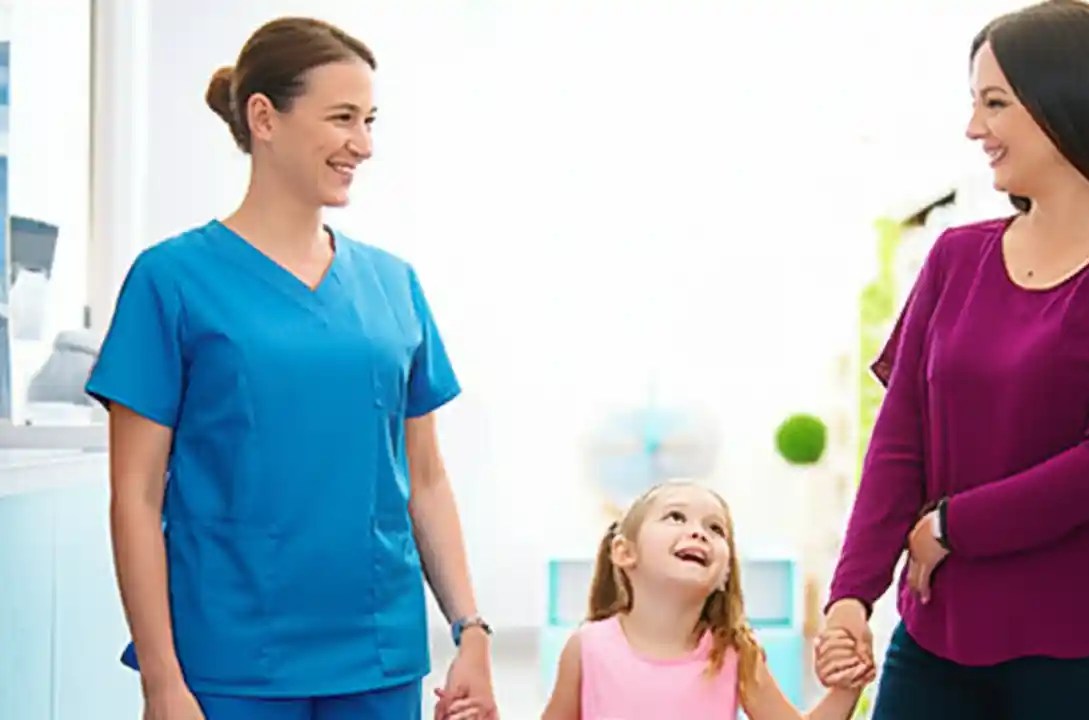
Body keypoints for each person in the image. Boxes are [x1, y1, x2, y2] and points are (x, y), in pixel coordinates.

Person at [86, 17, 497, 720]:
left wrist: (472, 631)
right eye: (342, 118)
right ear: (264, 117)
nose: (362, 145)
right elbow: (135, 497)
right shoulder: (172, 281)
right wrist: (161, 680)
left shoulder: (394, 286)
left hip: (377, 655)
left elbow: (424, 479)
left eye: (369, 121)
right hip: (229, 662)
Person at [815, 2, 1089, 719]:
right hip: (938, 638)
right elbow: (900, 439)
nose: (975, 129)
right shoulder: (955, 258)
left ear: (1065, 104)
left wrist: (950, 526)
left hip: (1086, 650)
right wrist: (852, 594)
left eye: (994, 103)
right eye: (975, 104)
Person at [503, 481, 871, 720]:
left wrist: (848, 686)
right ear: (624, 552)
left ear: (725, 572)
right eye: (675, 517)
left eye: (716, 529)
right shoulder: (587, 647)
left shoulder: (734, 654)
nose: (697, 531)